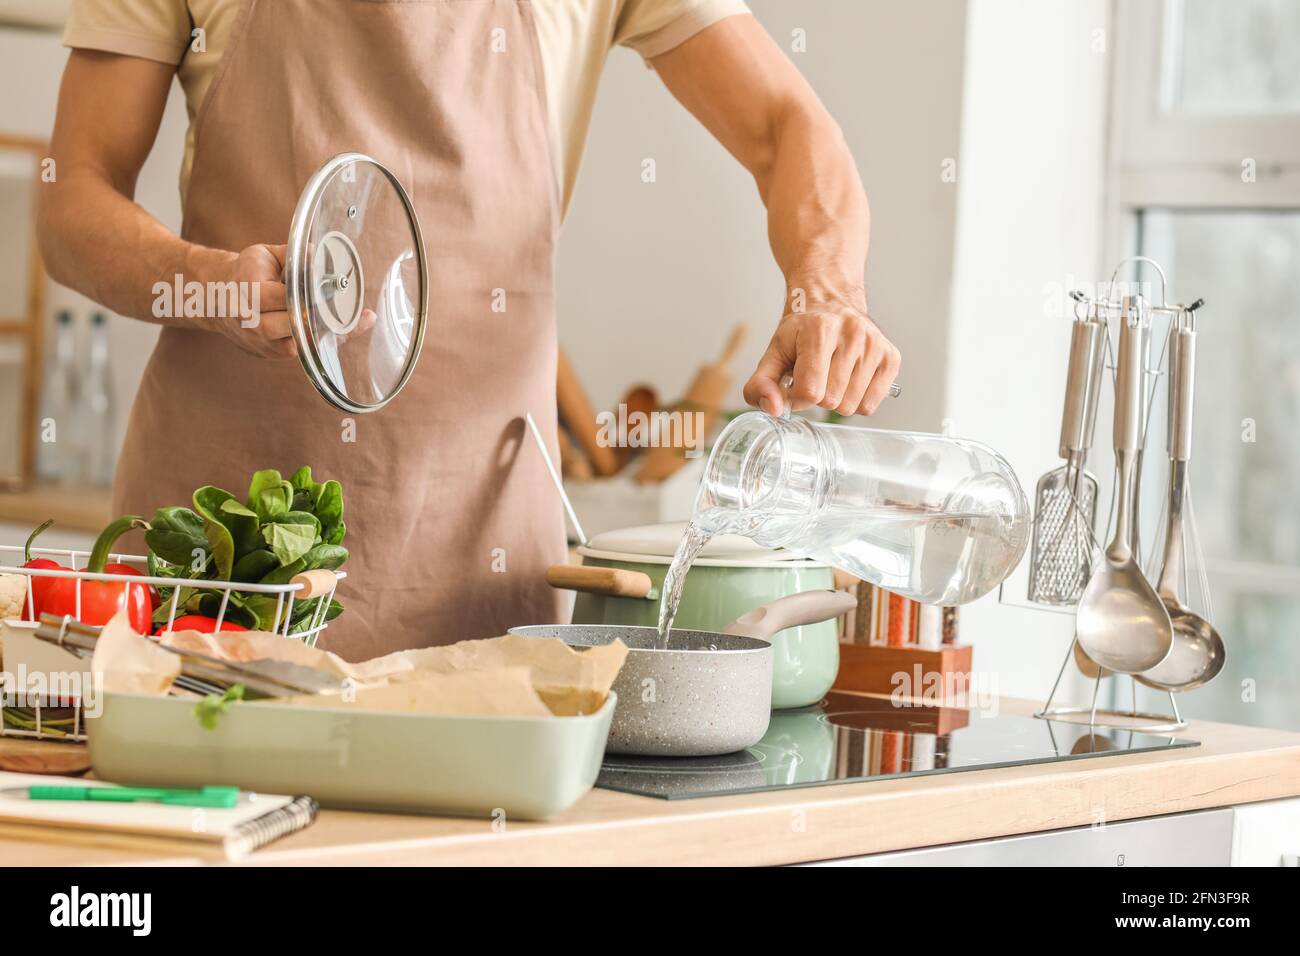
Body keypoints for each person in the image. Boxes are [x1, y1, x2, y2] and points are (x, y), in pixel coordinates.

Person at [38, 0, 900, 659]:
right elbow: (72, 199)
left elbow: (786, 126)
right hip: (219, 557)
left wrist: (826, 288)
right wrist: (205, 284)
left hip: (482, 556)